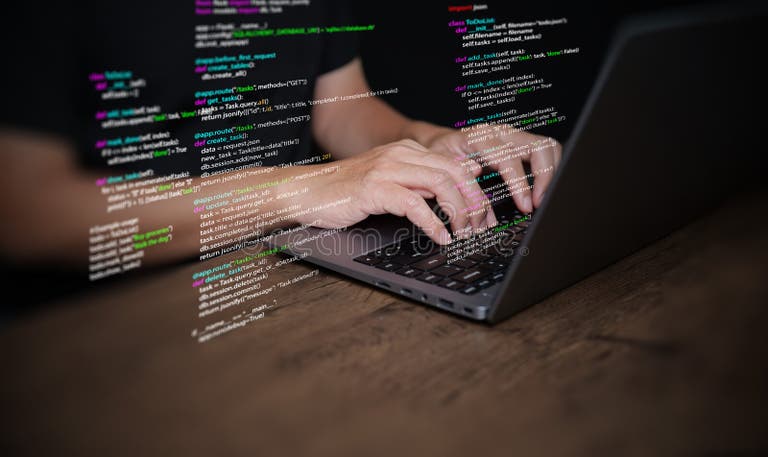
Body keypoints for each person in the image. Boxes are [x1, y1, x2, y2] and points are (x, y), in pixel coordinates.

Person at [0, 1, 561, 270]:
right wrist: (297, 189)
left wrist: (429, 141)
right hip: (120, 313)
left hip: (297, 267)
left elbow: (341, 109)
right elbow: (21, 212)